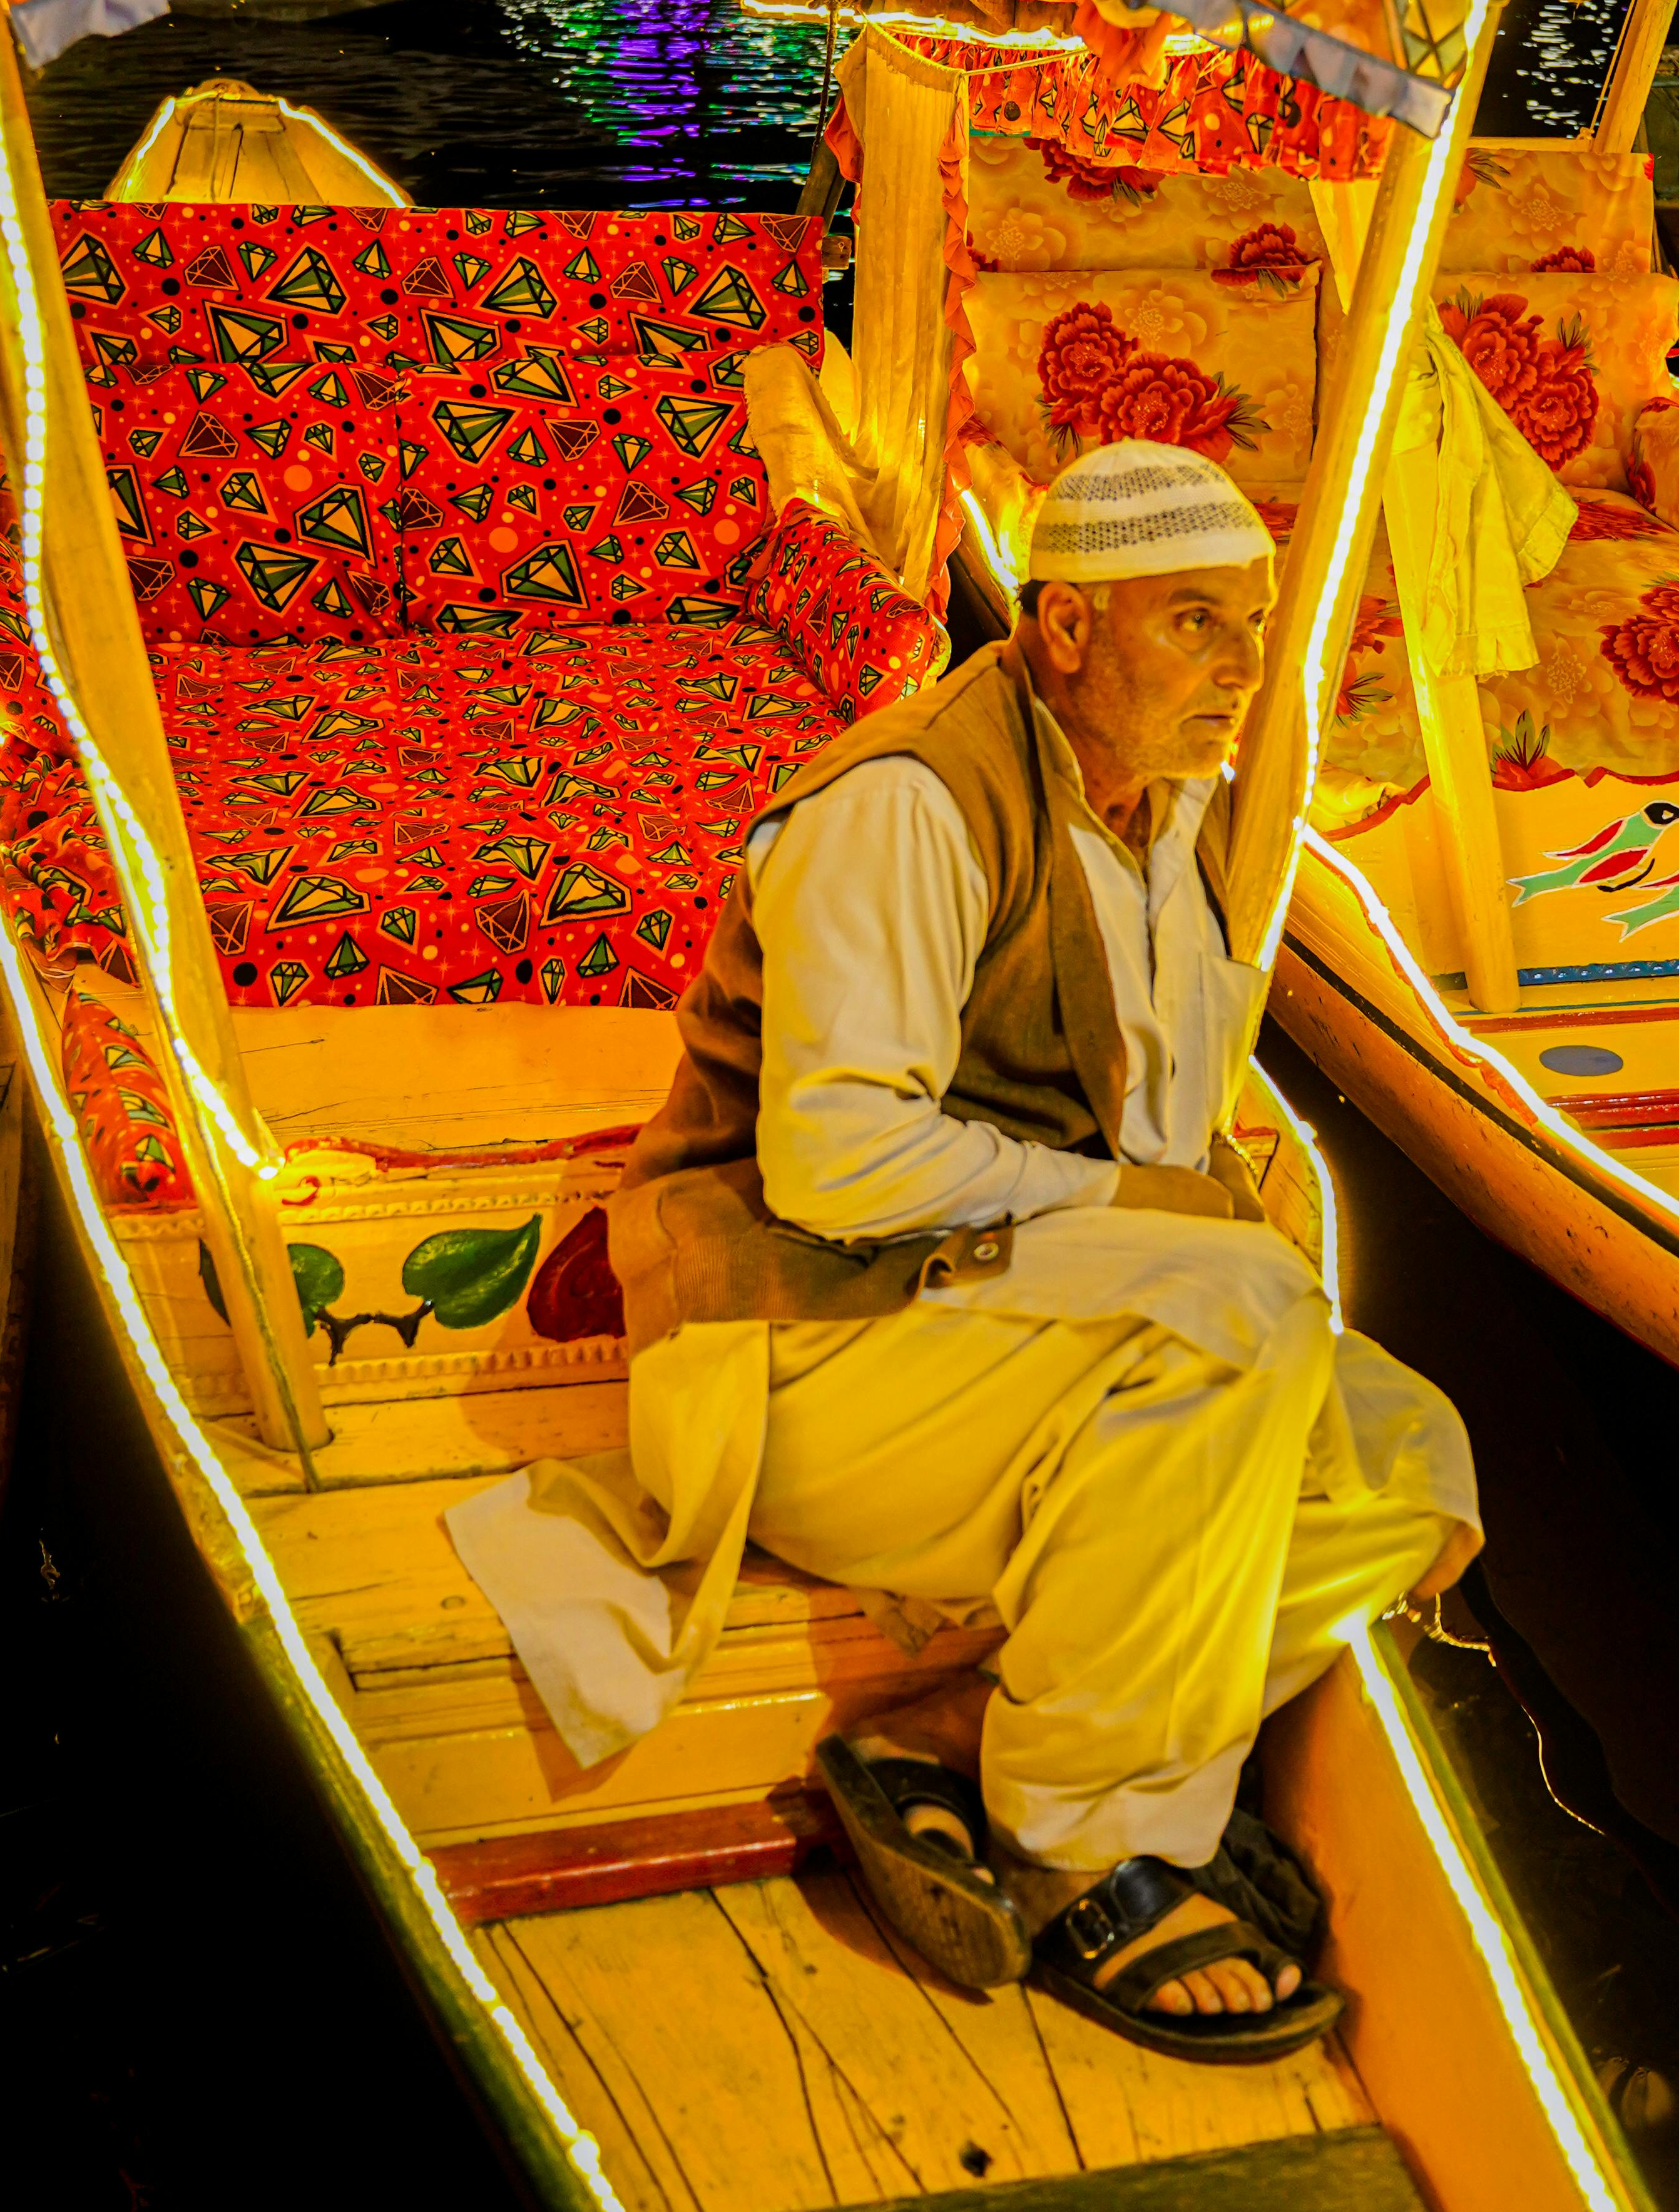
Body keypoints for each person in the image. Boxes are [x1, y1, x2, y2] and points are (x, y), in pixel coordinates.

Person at [451, 442, 1479, 2060]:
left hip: (983, 1325)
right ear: (1065, 630)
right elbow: (838, 1161)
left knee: (1415, 1471)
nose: (1244, 671)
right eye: (1197, 626)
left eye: (1257, 627)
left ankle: (950, 1736)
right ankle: (1082, 1849)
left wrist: (1160, 1198)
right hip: (798, 1349)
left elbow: (1152, 1125)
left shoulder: (1175, 813)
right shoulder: (911, 805)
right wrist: (1134, 1217)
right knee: (1237, 1316)